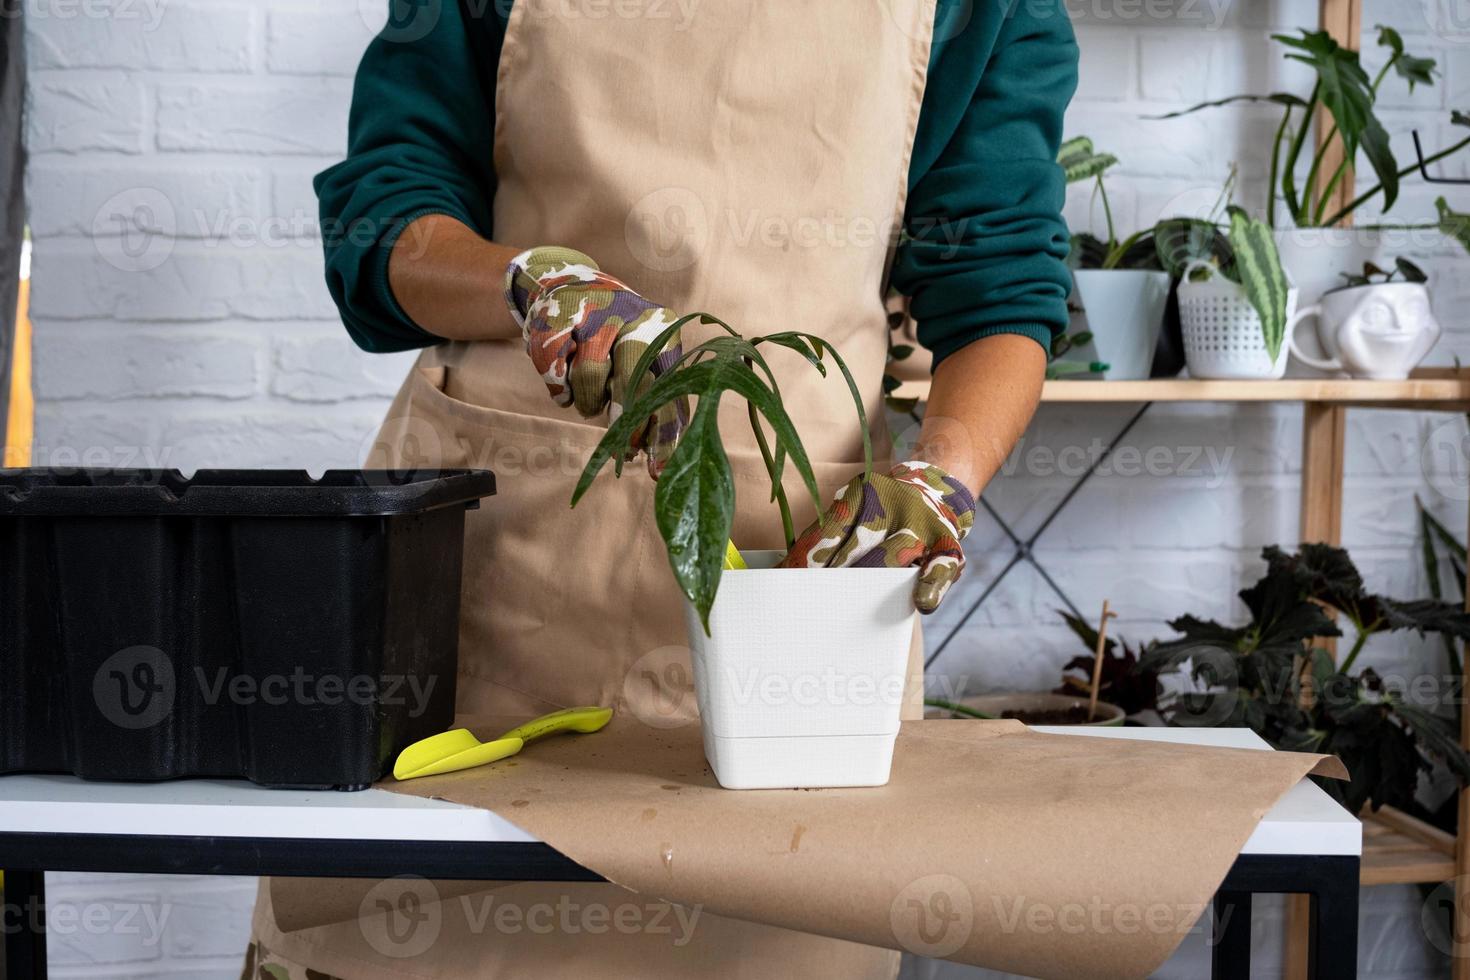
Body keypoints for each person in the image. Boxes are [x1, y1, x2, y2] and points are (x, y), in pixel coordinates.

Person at [245, 0, 1077, 976]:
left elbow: (1000, 282)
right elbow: (385, 218)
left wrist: (940, 479)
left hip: (796, 596)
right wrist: (528, 284)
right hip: (503, 565)